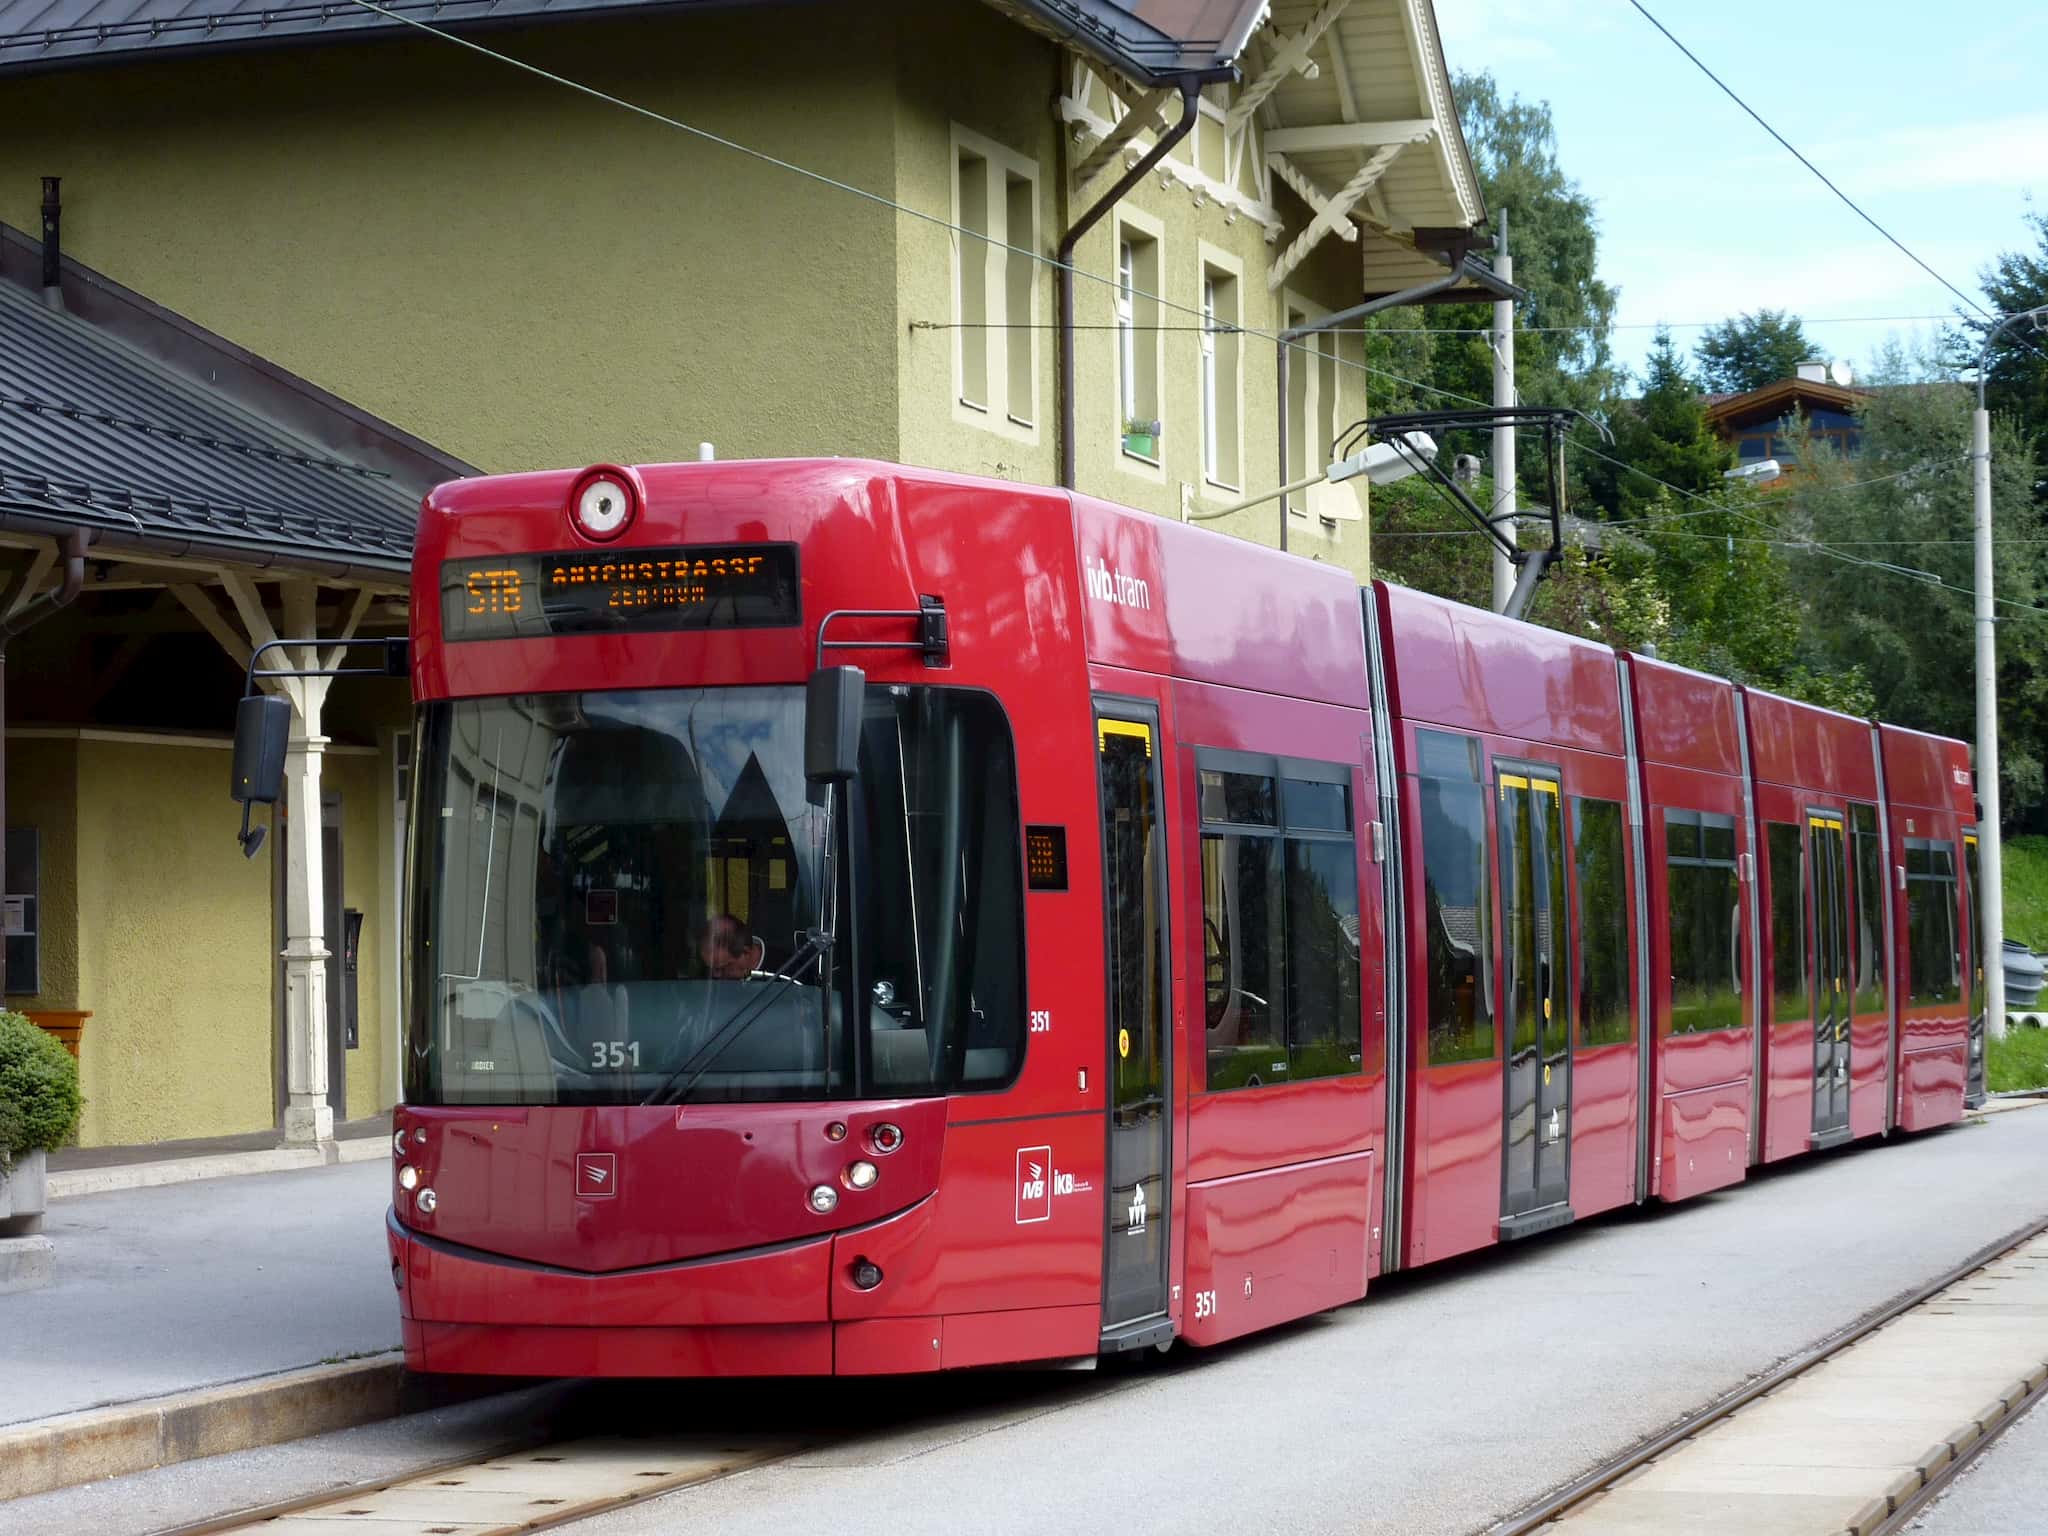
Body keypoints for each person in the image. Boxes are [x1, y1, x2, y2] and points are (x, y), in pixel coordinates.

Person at [699, 913, 764, 980]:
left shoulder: (775, 972)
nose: (716, 975)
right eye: (710, 969)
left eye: (722, 968)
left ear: (745, 953)